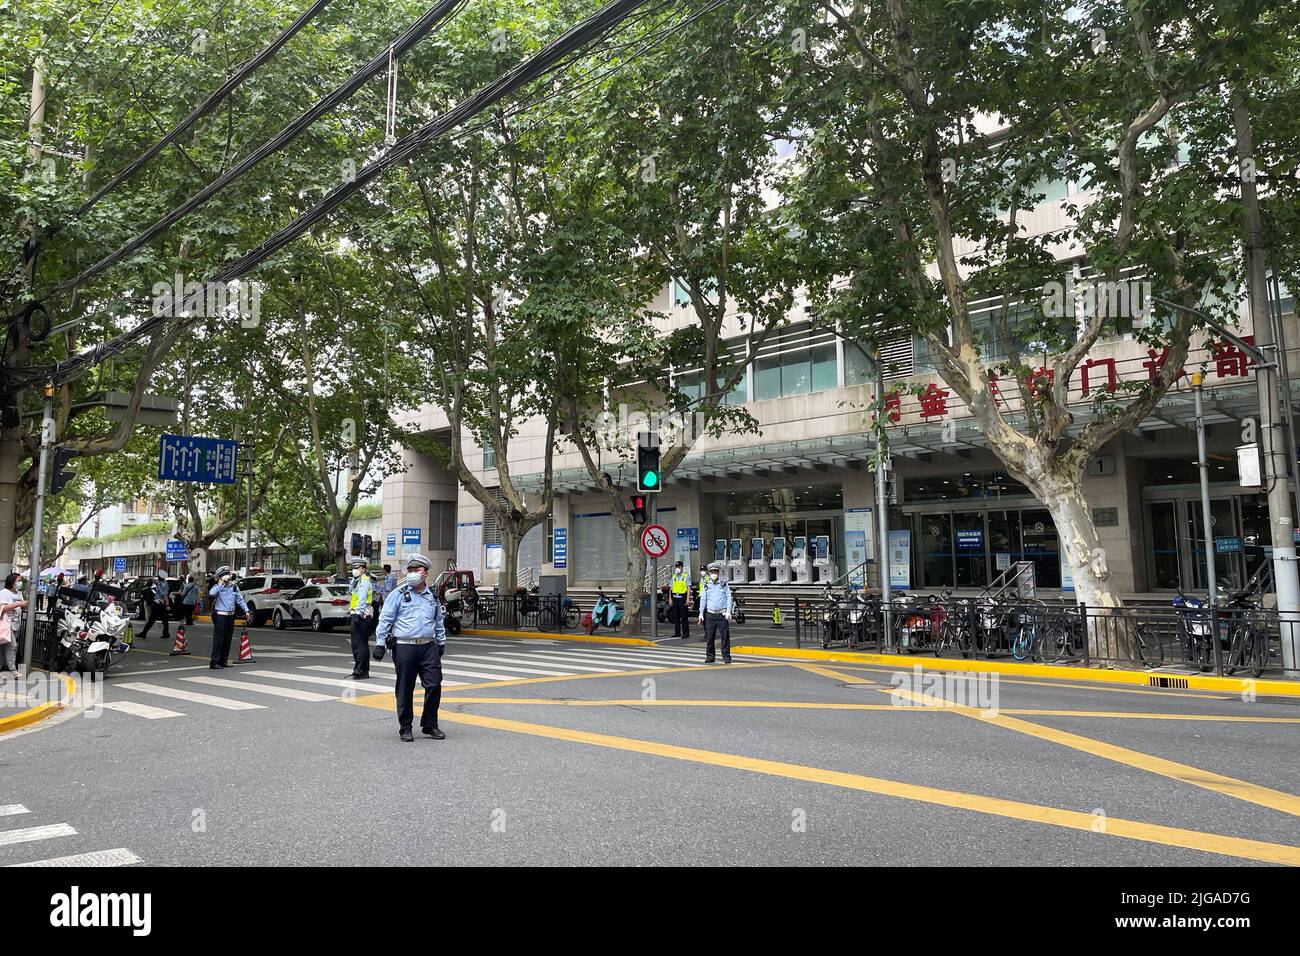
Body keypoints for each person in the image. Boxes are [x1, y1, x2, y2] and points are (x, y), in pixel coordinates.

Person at [373, 553, 446, 742]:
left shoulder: (433, 596)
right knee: (405, 688)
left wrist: (442, 641)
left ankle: (430, 724)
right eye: (410, 570)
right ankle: (405, 727)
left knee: (434, 684)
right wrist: (380, 643)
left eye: (417, 570)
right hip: (405, 646)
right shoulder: (398, 594)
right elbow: (386, 619)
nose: (413, 573)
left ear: (426, 574)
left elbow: (438, 620)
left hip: (428, 646)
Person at [208, 566, 249, 668]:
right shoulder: (218, 587)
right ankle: (215, 662)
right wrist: (221, 583)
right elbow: (212, 593)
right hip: (220, 616)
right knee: (218, 640)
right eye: (224, 575)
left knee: (227, 639)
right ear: (220, 577)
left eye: (227, 575)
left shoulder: (234, 587)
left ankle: (223, 660)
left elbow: (240, 600)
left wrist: (246, 610)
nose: (227, 577)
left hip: (230, 616)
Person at [697, 561, 735, 664]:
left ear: (718, 573)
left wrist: (728, 611)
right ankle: (710, 656)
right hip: (710, 614)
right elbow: (703, 600)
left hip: (722, 614)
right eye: (712, 572)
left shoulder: (723, 584)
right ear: (709, 573)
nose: (714, 574)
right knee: (710, 637)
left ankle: (726, 657)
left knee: (725, 637)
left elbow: (728, 598)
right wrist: (701, 614)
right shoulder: (706, 585)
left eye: (715, 572)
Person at [346, 557, 373, 680]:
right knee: (359, 644)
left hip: (361, 615)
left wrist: (357, 614)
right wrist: (353, 580)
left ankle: (360, 671)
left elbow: (362, 599)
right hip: (358, 614)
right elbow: (350, 592)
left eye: (357, 568)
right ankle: (362, 670)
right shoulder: (358, 580)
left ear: (364, 569)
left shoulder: (364, 581)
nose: (355, 570)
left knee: (359, 645)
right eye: (354, 568)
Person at [0, 573, 27, 674]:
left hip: (16, 624)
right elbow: (2, 609)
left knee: (3, 648)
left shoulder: (19, 593)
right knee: (12, 646)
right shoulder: (4, 593)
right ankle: (13, 670)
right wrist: (19, 603)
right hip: (6, 624)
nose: (20, 583)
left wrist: (23, 604)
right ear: (12, 582)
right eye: (18, 581)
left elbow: (22, 607)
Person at [137, 562, 172, 642]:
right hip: (161, 604)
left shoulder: (162, 585)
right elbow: (157, 583)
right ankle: (166, 633)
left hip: (159, 603)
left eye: (158, 576)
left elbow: (165, 595)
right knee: (165, 619)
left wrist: (167, 605)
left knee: (152, 619)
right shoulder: (164, 583)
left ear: (160, 577)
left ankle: (144, 633)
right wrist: (153, 580)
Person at [669, 560, 692, 640]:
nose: (677, 568)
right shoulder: (674, 576)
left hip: (682, 598)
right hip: (675, 598)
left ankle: (685, 633)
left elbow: (688, 588)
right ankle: (677, 632)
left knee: (684, 617)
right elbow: (671, 588)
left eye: (679, 567)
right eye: (676, 567)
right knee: (676, 616)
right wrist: (670, 599)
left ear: (682, 567)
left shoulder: (686, 576)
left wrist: (687, 599)